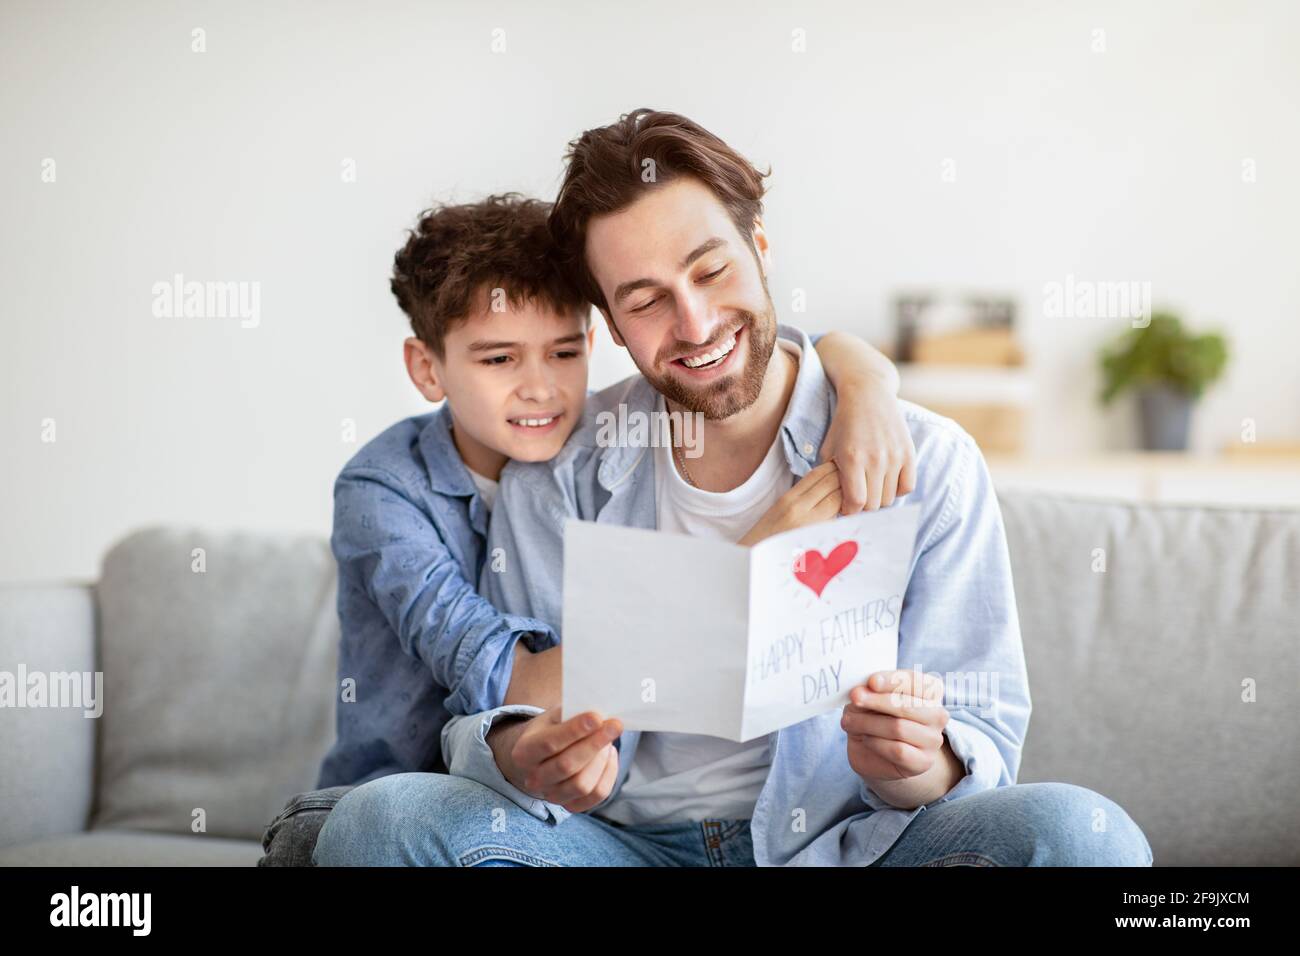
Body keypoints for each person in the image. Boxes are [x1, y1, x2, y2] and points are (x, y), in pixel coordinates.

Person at [312, 109, 1153, 867]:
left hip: (847, 844)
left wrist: (914, 763)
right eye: (645, 302)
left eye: (711, 271)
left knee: (1087, 839)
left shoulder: (924, 458)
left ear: (760, 246)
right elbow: (505, 705)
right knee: (380, 825)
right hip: (616, 849)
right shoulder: (560, 472)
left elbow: (983, 733)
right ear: (608, 324)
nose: (695, 323)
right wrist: (530, 757)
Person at [259, 191, 917, 865]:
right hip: (427, 794)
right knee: (335, 834)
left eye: (564, 353)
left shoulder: (591, 461)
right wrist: (745, 567)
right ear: (428, 368)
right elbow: (507, 685)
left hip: (547, 813)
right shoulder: (384, 495)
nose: (540, 388)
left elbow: (785, 349)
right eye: (498, 360)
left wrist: (862, 375)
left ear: (595, 341)